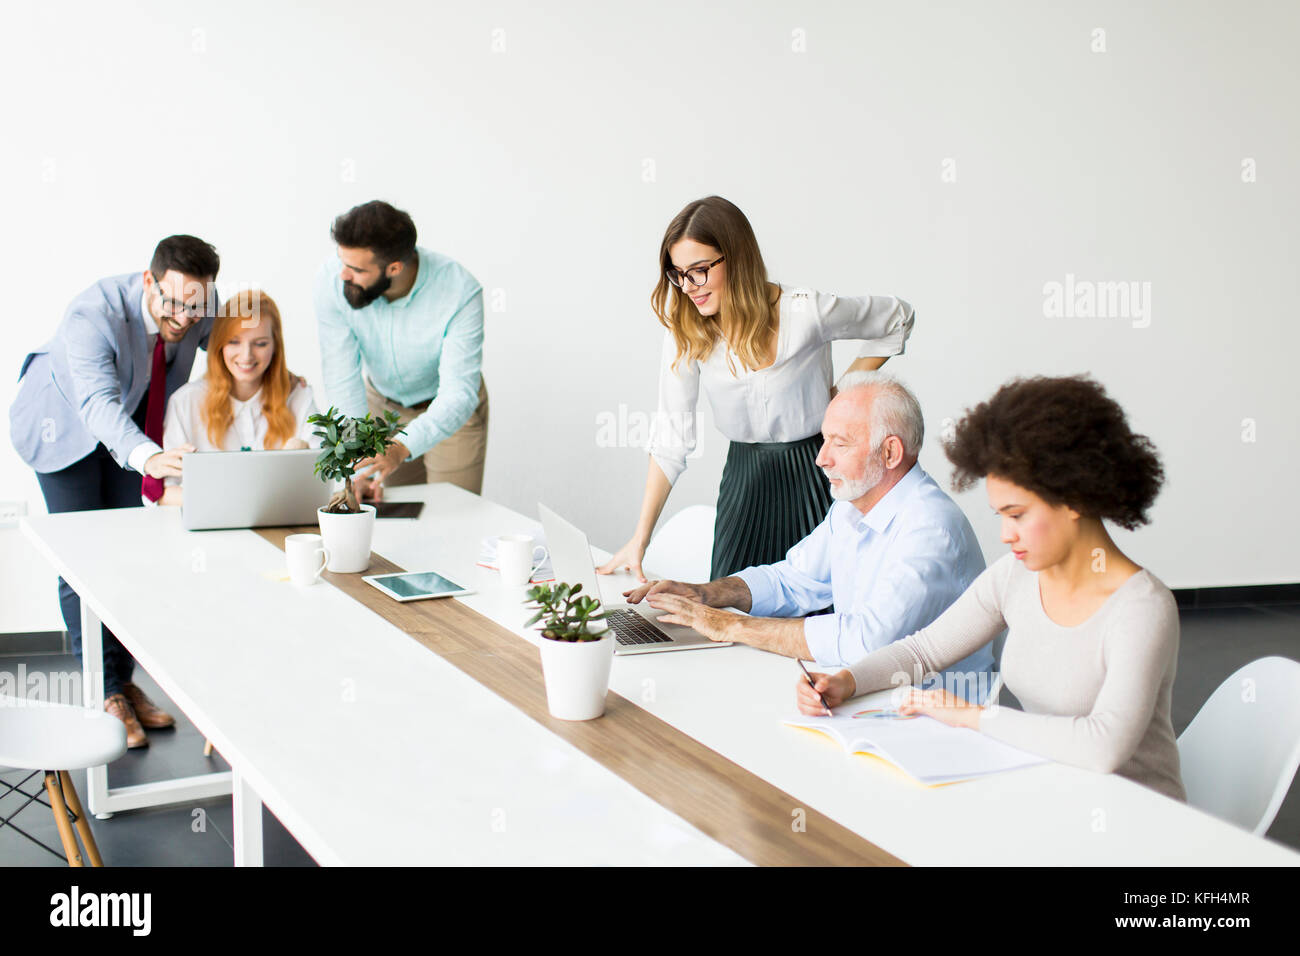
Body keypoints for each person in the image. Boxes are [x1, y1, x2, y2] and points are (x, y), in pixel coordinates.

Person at [796, 375, 1185, 801]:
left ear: (1075, 500)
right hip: (1055, 791)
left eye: (1016, 515)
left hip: (1137, 813)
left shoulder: (1141, 607)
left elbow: (1102, 745)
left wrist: (968, 715)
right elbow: (921, 651)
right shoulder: (1015, 577)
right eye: (1000, 515)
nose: (1004, 534)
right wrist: (845, 682)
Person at [599, 195, 915, 583]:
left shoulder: (806, 311)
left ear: (737, 257)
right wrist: (639, 539)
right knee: (728, 614)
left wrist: (843, 395)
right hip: (743, 485)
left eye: (699, 270)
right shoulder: (685, 330)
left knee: (819, 614)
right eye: (678, 274)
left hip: (817, 475)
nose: (688, 287)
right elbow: (670, 440)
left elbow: (897, 319)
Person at [625, 372, 994, 687]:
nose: (821, 458)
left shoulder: (931, 528)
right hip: (872, 698)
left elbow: (867, 641)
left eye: (840, 443)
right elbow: (793, 580)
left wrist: (730, 627)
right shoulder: (851, 508)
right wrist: (705, 594)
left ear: (890, 453)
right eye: (824, 439)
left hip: (938, 717)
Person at [9, 235, 220, 746]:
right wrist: (148, 456)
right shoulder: (93, 314)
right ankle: (104, 693)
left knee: (136, 552)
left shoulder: (198, 304)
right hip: (63, 426)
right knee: (83, 557)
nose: (184, 318)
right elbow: (99, 404)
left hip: (136, 426)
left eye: (195, 307)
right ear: (148, 281)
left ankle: (124, 682)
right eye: (173, 304)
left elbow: (243, 349)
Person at [314, 200, 488, 498]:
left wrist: (402, 446)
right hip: (382, 406)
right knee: (397, 513)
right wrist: (356, 462)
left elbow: (458, 393)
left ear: (394, 267)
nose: (343, 274)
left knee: (454, 515)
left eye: (355, 268)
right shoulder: (333, 280)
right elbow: (342, 378)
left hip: (448, 411)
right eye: (342, 261)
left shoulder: (460, 290)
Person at [157, 289, 318, 506]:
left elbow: (324, 472)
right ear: (219, 344)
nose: (246, 356)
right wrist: (233, 500)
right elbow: (162, 493)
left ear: (275, 346)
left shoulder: (299, 396)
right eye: (234, 342)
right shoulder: (185, 402)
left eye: (260, 344)